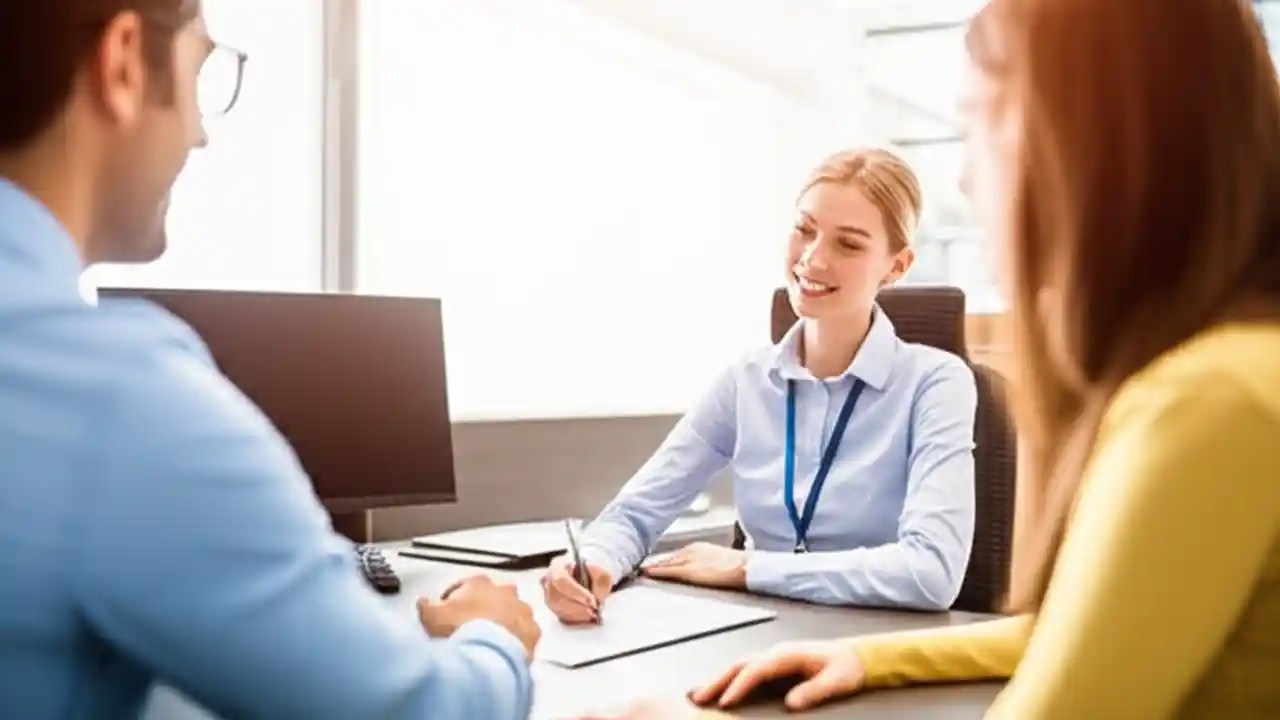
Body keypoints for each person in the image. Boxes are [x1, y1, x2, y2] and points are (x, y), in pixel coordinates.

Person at [687, 0, 1280, 716]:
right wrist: (870, 656)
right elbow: (1085, 632)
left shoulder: (1207, 402)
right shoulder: (1242, 367)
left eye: (979, 126)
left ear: (1080, 140)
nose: (969, 180)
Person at [0, 2, 540, 718]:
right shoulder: (115, 401)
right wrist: (492, 637)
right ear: (124, 61)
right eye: (201, 71)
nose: (199, 134)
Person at [543, 147, 979, 622]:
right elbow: (635, 513)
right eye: (804, 230)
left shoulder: (936, 383)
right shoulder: (745, 382)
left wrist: (747, 567)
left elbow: (930, 573)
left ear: (897, 266)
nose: (813, 258)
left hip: (871, 650)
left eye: (848, 244)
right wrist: (593, 562)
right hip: (752, 635)